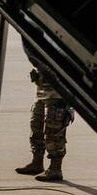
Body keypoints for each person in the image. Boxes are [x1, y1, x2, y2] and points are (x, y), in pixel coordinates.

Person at [15, 45, 73, 182]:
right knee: (36, 126)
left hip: (58, 93)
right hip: (41, 90)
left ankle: (55, 169)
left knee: (53, 131)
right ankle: (37, 162)